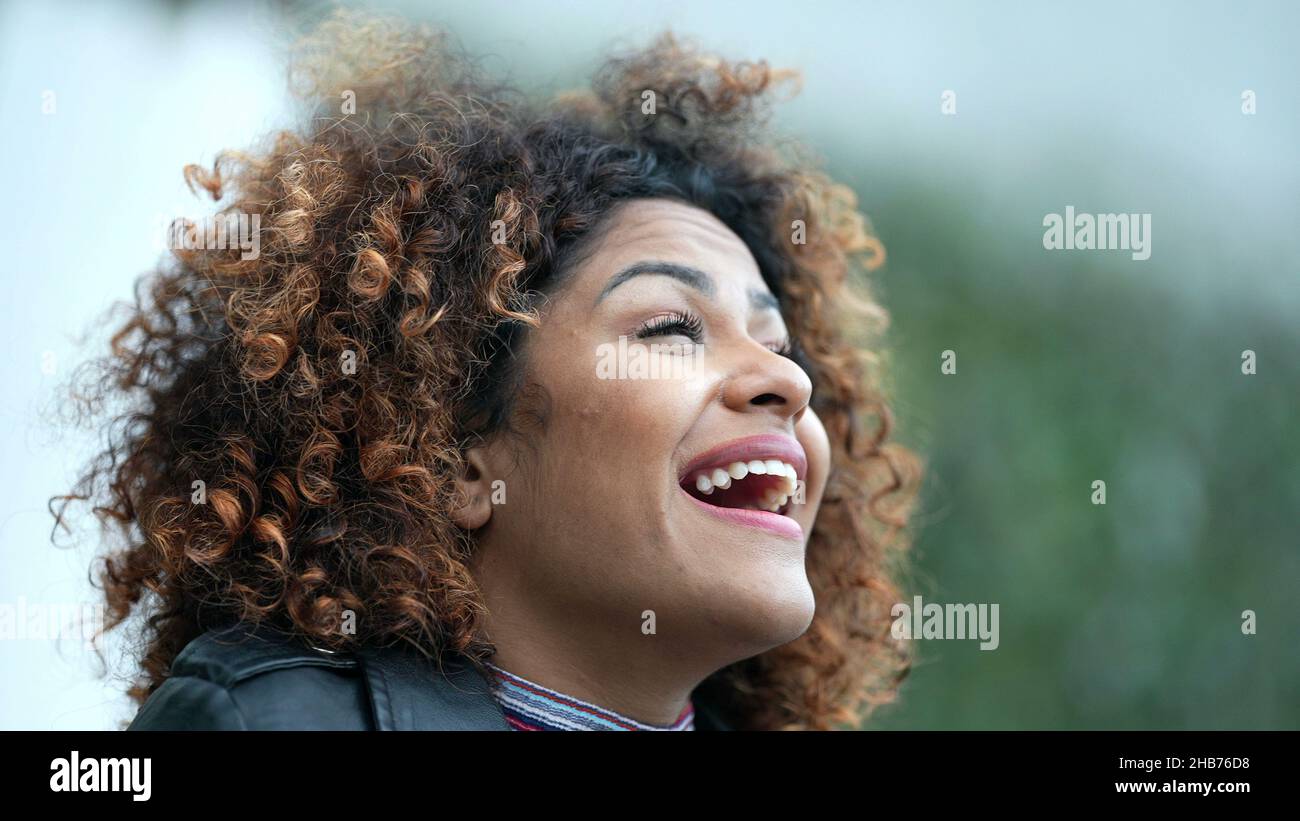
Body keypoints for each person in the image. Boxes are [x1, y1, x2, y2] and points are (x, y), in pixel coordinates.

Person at [55, 11, 918, 731]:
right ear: (460, 458)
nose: (787, 383)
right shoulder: (265, 720)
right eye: (670, 327)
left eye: (780, 345)